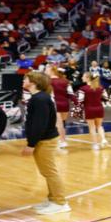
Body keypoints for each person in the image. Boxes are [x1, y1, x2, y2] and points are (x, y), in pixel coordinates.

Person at [21, 71, 69, 214]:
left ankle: (60, 202)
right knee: (46, 172)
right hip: (43, 140)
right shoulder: (38, 98)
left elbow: (39, 124)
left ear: (34, 82)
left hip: (46, 140)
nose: (23, 80)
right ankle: (53, 199)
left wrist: (31, 144)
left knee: (50, 172)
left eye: (26, 78)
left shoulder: (40, 99)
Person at [77, 74, 106, 150]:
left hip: (89, 109)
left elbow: (80, 100)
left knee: (92, 127)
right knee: (99, 126)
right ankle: (103, 139)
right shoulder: (100, 87)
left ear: (87, 78)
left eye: (83, 76)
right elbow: (106, 97)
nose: (81, 77)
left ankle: (95, 144)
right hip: (99, 108)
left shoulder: (83, 89)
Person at [50, 65, 72, 148]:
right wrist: (78, 103)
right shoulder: (66, 81)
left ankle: (62, 141)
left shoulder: (50, 81)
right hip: (65, 104)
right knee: (62, 123)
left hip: (56, 104)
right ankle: (62, 140)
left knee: (59, 124)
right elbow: (71, 94)